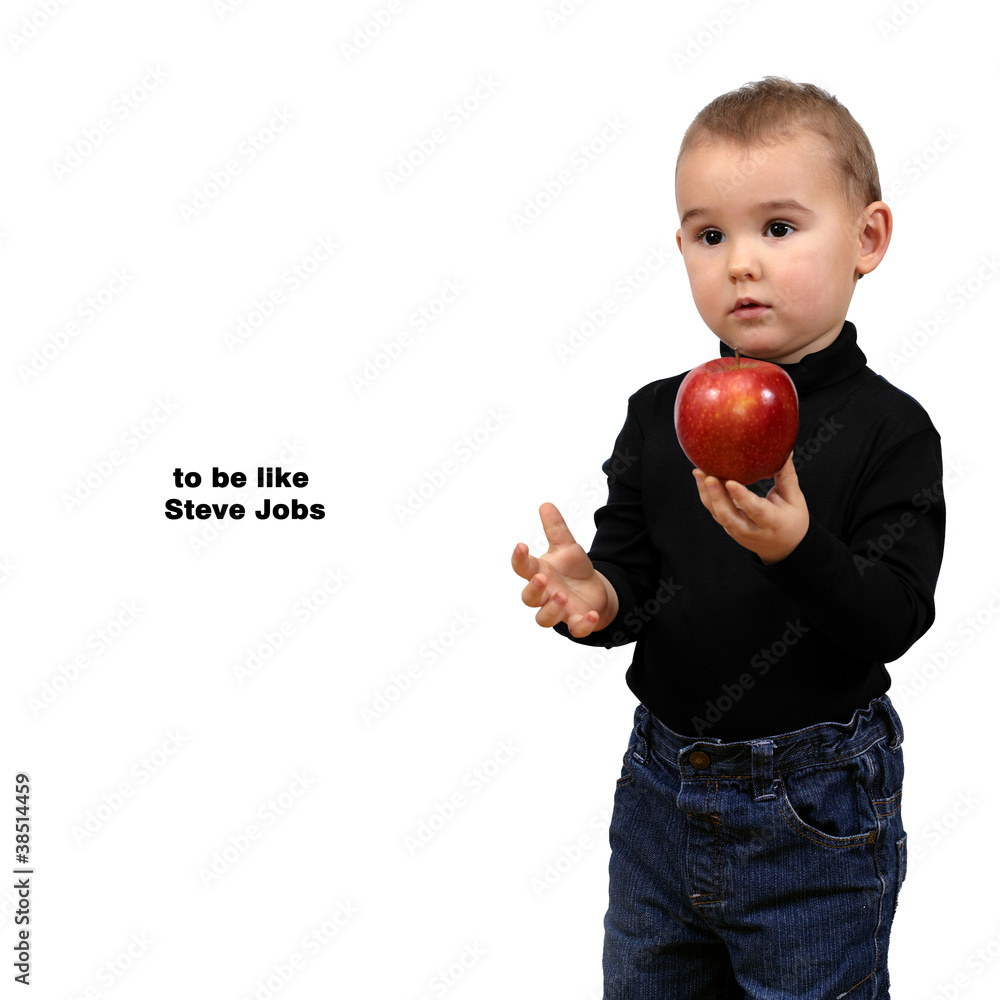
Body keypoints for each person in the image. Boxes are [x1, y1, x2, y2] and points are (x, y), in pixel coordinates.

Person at [511, 77, 946, 998]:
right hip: (660, 795)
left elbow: (895, 619)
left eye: (779, 229)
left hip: (816, 811)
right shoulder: (660, 414)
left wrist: (797, 548)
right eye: (711, 236)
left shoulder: (890, 430)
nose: (740, 263)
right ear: (681, 249)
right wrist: (595, 598)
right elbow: (634, 580)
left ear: (867, 239)